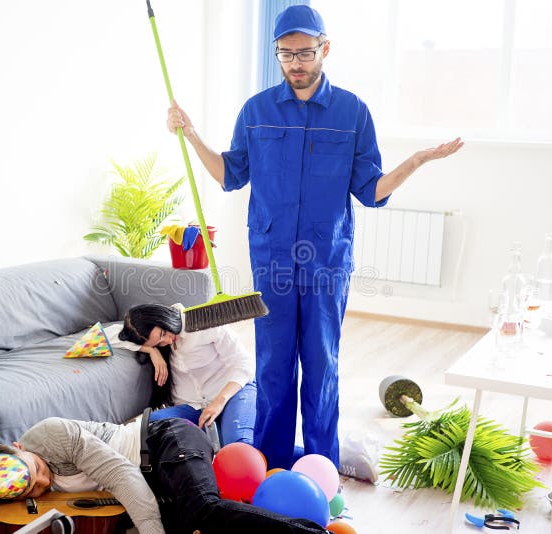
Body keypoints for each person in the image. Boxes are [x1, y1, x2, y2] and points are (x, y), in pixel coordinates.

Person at [166, 4, 464, 471]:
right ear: (277, 55)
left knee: (321, 364)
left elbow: (371, 191)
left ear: (325, 49)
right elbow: (230, 175)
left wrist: (416, 162)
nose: (296, 64)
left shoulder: (351, 112)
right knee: (273, 366)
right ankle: (271, 464)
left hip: (327, 259)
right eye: (285, 54)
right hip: (271, 257)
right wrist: (192, 134)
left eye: (305, 53)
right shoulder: (257, 110)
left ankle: (322, 466)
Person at [0, 416, 330, 534]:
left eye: (36, 471)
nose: (43, 484)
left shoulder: (52, 434)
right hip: (155, 481)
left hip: (163, 441)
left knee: (203, 509)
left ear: (19, 447)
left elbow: (123, 474)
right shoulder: (15, 484)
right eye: (31, 492)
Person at [106, 303, 256, 446]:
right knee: (149, 428)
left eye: (163, 333)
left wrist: (219, 402)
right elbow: (103, 335)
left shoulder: (203, 321)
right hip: (193, 407)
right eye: (159, 343)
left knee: (237, 444)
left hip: (231, 394)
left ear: (162, 318)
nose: (167, 340)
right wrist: (151, 350)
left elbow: (244, 364)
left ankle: (226, 430)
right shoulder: (152, 338)